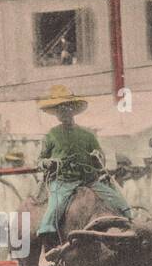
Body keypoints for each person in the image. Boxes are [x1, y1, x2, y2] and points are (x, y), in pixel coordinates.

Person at [34, 85, 131, 238]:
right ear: (56, 113)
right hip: (63, 182)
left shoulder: (88, 135)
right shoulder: (51, 135)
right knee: (54, 209)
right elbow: (40, 161)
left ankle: (131, 224)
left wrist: (97, 156)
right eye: (59, 109)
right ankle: (48, 243)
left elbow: (101, 159)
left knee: (118, 200)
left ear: (72, 109)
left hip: (89, 181)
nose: (63, 112)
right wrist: (47, 163)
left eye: (66, 107)